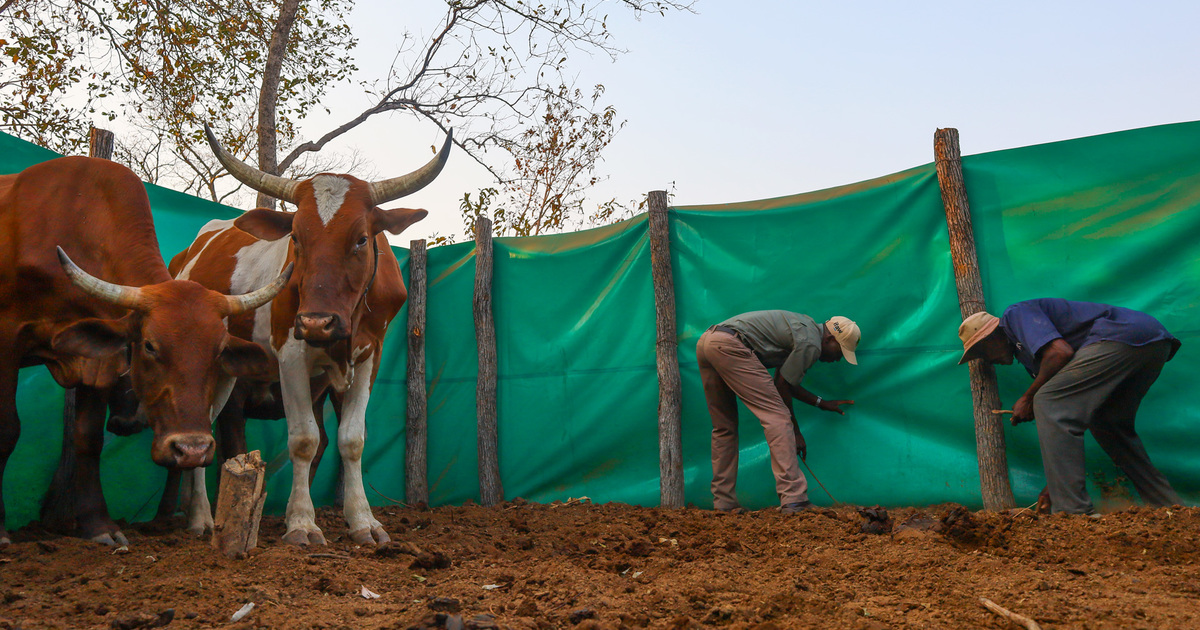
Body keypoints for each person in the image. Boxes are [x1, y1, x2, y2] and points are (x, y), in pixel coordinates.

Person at [957, 298, 1183, 515]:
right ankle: (1169, 507)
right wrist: (1056, 487)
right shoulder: (1031, 359)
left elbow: (1060, 353)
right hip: (1153, 343)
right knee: (1108, 424)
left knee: (1047, 400)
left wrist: (1028, 398)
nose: (986, 360)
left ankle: (1072, 512)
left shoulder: (1014, 316)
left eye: (981, 352)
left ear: (992, 336)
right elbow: (1069, 420)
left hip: (1121, 335)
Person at [696, 310, 859, 514]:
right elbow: (783, 387)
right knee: (778, 419)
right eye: (841, 351)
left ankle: (724, 502)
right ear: (830, 338)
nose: (839, 359)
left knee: (724, 428)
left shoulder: (803, 327)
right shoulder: (811, 343)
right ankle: (794, 498)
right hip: (731, 346)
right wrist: (795, 432)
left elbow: (783, 383)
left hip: (708, 341)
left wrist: (821, 403)